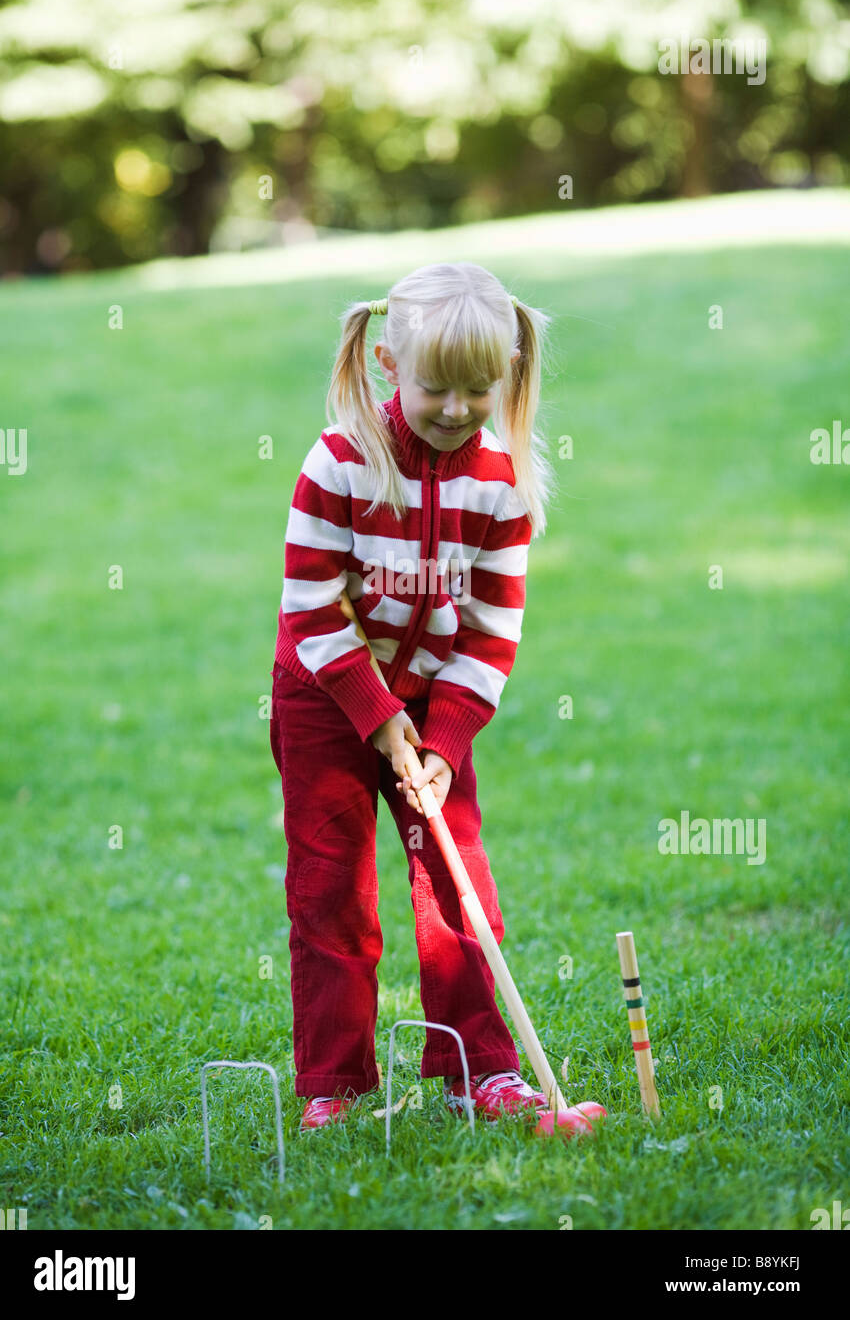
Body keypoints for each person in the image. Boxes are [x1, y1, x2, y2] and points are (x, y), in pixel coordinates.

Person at [269, 261, 558, 1132]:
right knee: (332, 891)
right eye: (439, 388)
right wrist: (377, 717)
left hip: (436, 709)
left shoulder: (501, 482)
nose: (460, 409)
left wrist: (440, 741)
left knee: (459, 882)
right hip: (326, 698)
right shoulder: (341, 463)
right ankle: (336, 1085)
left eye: (480, 389)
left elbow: (491, 632)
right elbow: (312, 605)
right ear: (393, 365)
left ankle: (482, 1069)